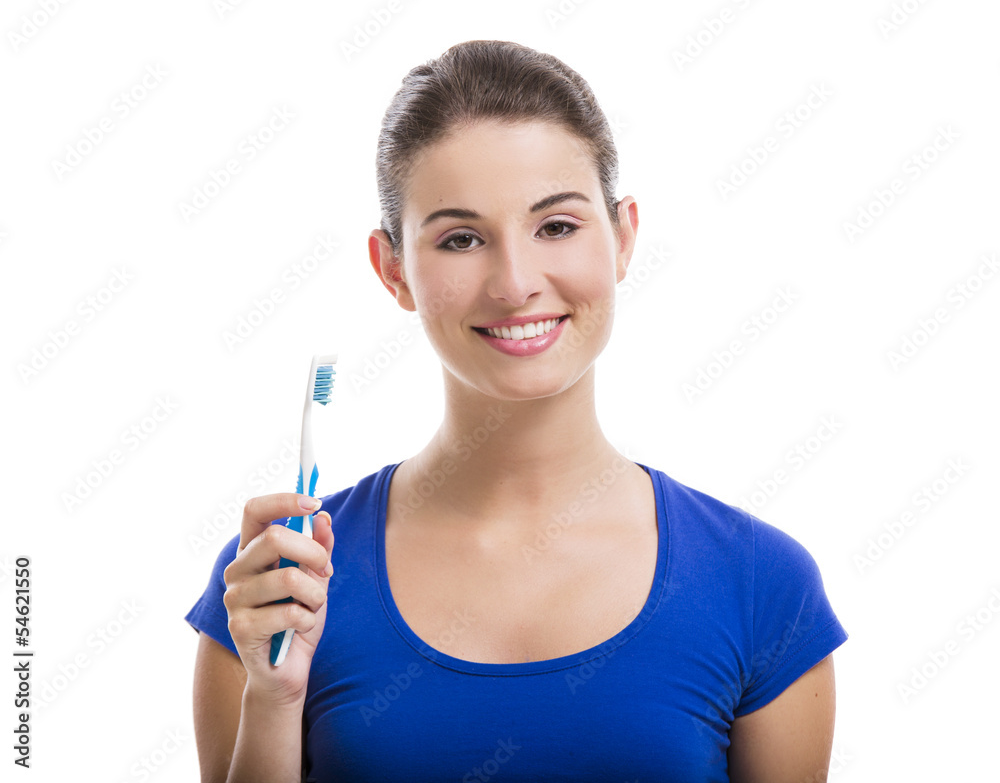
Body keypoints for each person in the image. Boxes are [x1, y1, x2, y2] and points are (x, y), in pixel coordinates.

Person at [186, 39, 848, 782]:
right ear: (393, 269)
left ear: (624, 236)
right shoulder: (279, 586)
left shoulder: (760, 584)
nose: (514, 282)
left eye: (557, 226)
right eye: (462, 239)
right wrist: (273, 700)